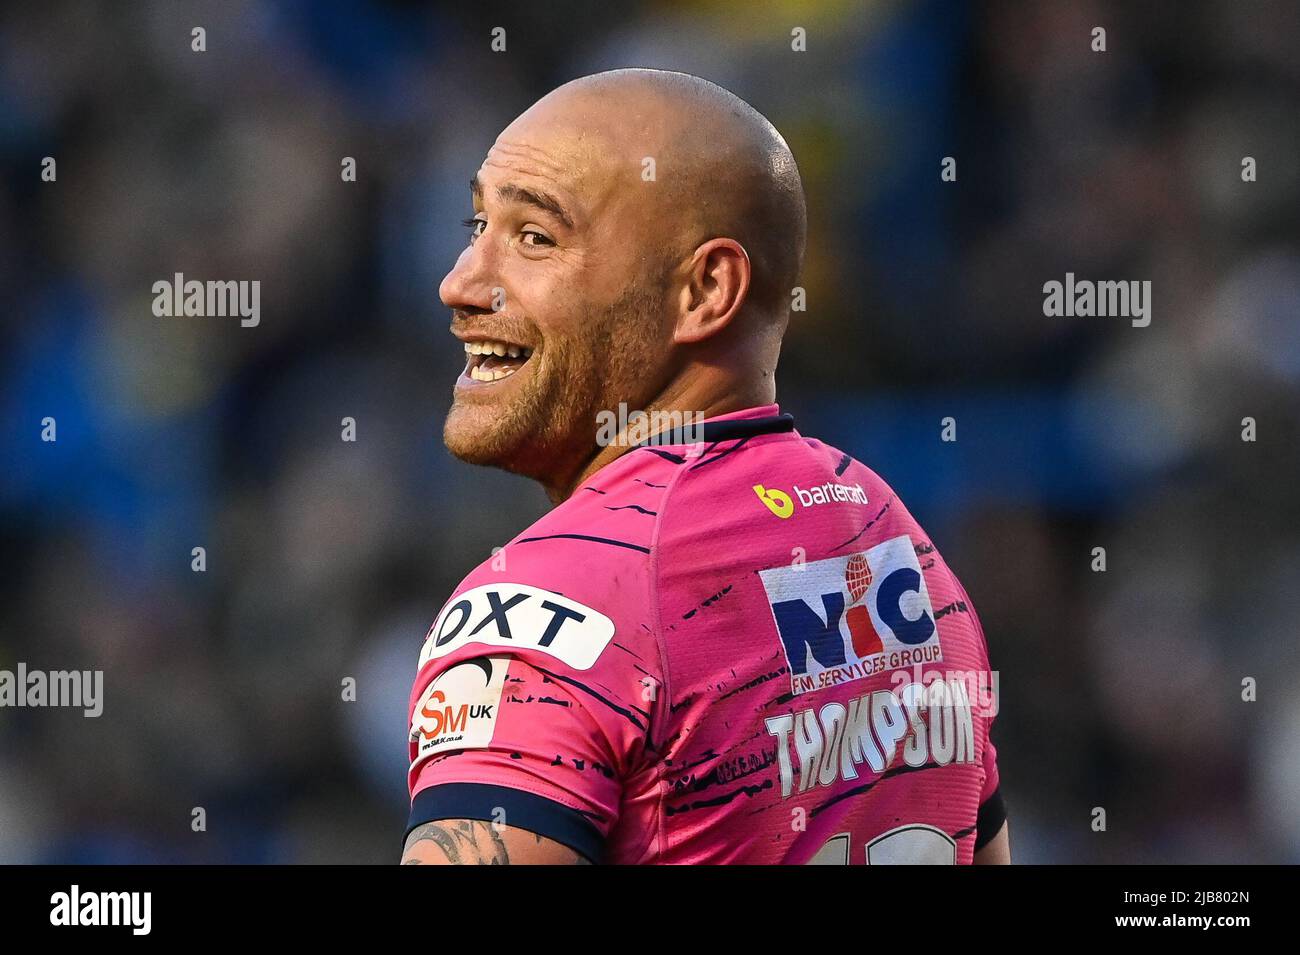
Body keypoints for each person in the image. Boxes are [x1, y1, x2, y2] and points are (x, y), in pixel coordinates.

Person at [401, 68, 1007, 864]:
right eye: (477, 223)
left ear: (705, 291)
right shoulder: (896, 544)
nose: (461, 283)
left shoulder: (547, 610)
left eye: (534, 238)